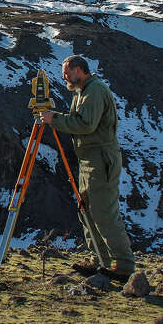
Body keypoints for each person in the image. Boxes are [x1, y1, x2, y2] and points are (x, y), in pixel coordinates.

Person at [40, 55, 135, 282]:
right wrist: (58, 116)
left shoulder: (95, 91)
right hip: (88, 161)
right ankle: (99, 260)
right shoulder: (82, 92)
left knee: (104, 213)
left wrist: (54, 119)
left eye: (67, 72)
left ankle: (123, 265)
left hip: (101, 161)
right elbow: (78, 119)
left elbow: (85, 124)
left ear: (79, 70)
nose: (64, 77)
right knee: (86, 211)